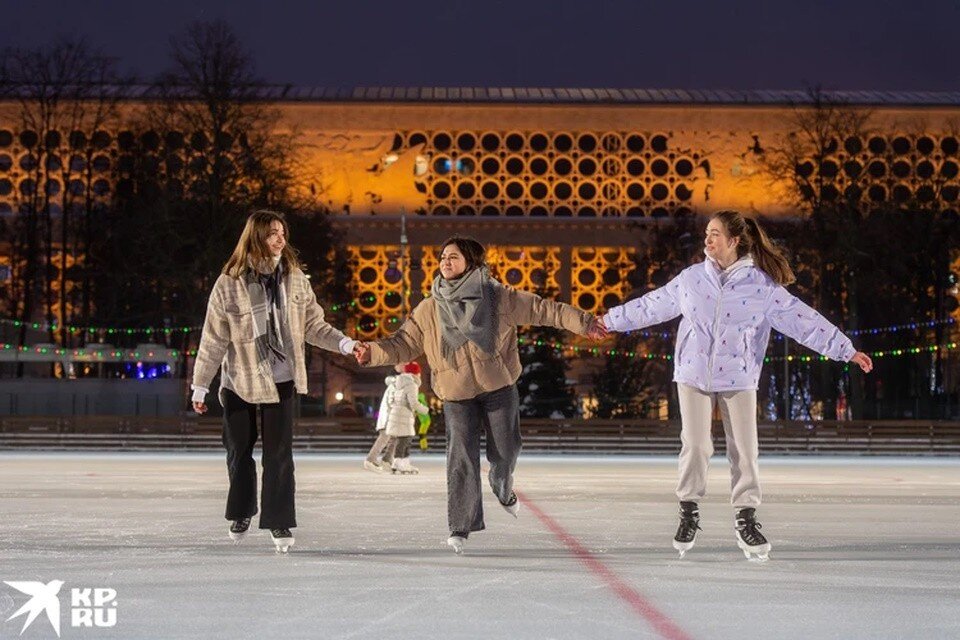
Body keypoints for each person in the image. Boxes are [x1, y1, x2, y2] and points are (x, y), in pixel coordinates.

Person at [601, 210, 873, 561]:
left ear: (734, 241)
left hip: (739, 375)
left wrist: (845, 350)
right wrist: (608, 321)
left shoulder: (760, 286)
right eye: (706, 233)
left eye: (715, 234)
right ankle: (688, 511)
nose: (707, 240)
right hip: (693, 372)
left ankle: (746, 518)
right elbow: (650, 306)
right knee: (696, 445)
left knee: (744, 449)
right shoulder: (691, 280)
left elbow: (803, 320)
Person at [355, 235, 606, 554]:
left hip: (498, 387)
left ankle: (503, 487)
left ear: (471, 262)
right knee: (460, 457)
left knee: (506, 449)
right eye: (443, 257)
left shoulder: (498, 297)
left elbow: (545, 310)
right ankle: (460, 524)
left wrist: (585, 323)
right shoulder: (429, 309)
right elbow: (401, 343)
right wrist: (371, 352)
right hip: (456, 394)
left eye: (454, 257)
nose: (445, 261)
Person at [191, 210, 360, 553]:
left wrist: (345, 343)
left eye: (282, 233)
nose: (280, 239)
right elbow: (213, 339)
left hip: (281, 378)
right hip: (239, 379)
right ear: (255, 237)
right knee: (238, 450)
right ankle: (241, 512)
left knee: (279, 454)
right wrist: (200, 384)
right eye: (272, 234)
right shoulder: (229, 283)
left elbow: (314, 325)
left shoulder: (295, 279)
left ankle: (278, 519)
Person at [383, 361, 430, 475]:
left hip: (397, 413)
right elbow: (413, 403)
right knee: (405, 439)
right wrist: (425, 410)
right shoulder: (411, 384)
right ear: (415, 373)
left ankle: (402, 463)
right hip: (404, 414)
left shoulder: (398, 382)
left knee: (404, 439)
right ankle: (399, 463)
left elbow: (391, 400)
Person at [364, 364, 403, 473]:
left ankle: (387, 460)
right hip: (389, 417)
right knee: (384, 437)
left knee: (395, 438)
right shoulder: (395, 385)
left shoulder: (397, 385)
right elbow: (393, 402)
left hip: (392, 417)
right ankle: (370, 459)